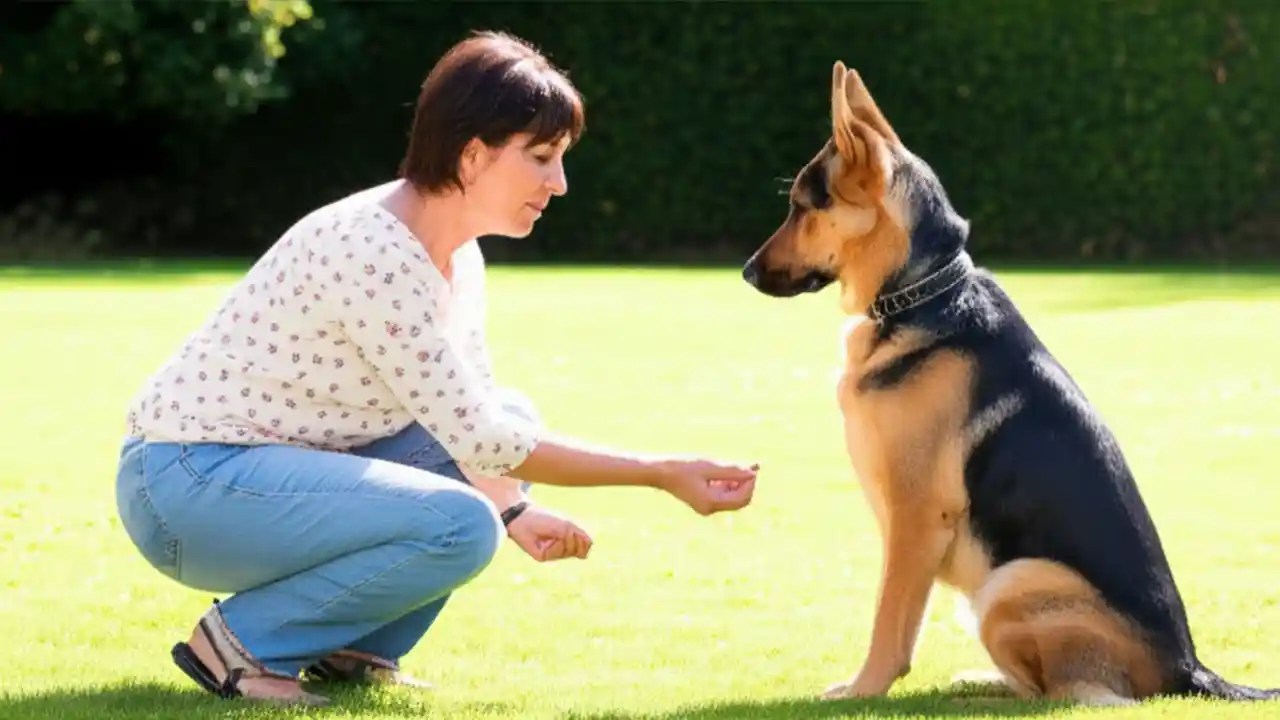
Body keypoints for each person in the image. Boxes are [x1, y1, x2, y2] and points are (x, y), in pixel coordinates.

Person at [114, 30, 759, 706]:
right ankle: (240, 646)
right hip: (186, 488)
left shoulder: (456, 254)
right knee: (460, 523)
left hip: (257, 473)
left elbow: (472, 418)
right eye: (542, 158)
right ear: (473, 155)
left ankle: (350, 650)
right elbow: (480, 443)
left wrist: (513, 510)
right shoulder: (373, 250)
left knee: (507, 426)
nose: (560, 184)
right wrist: (659, 474)